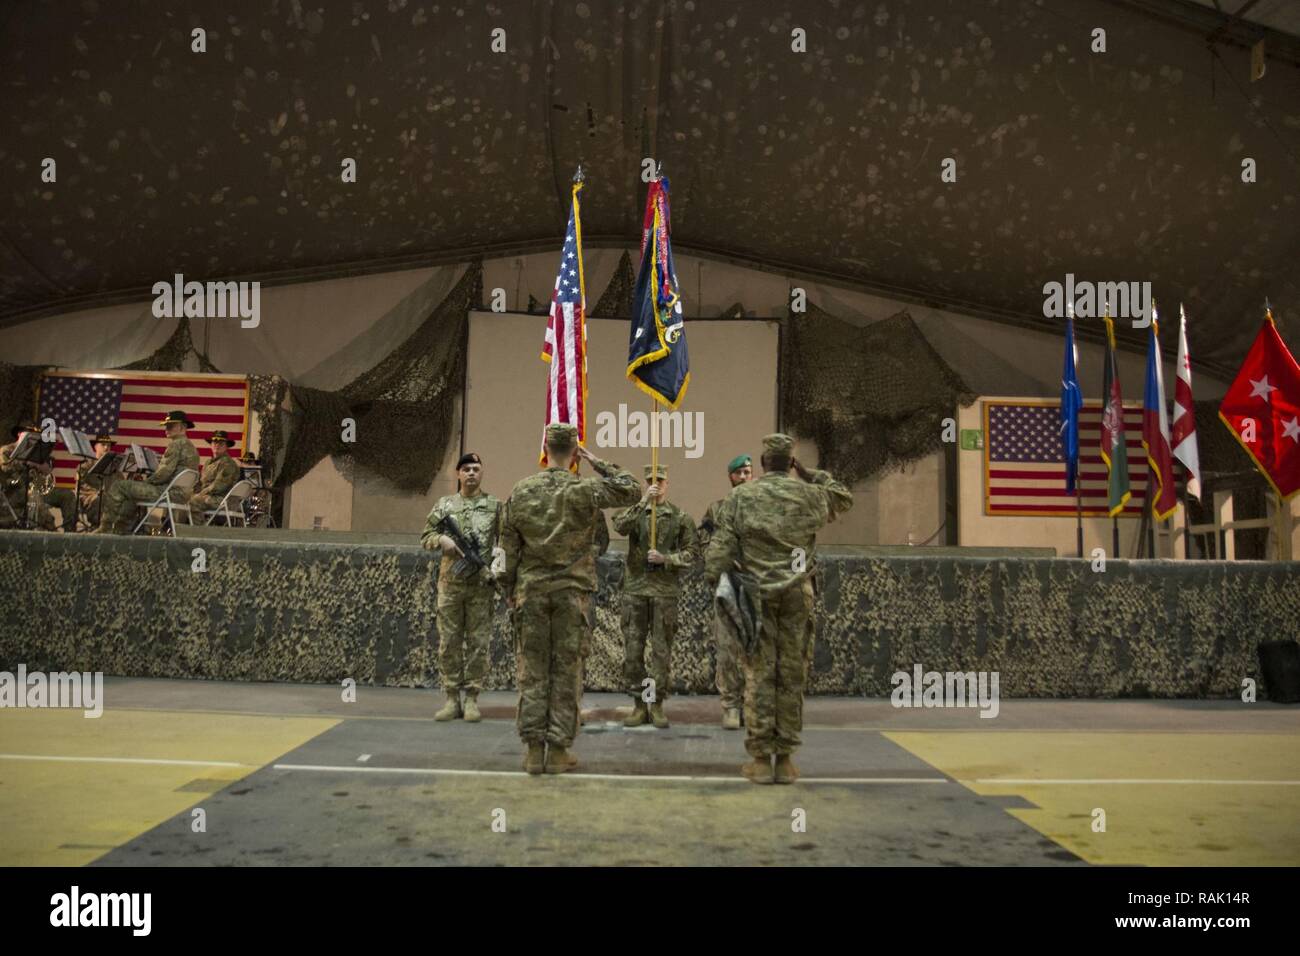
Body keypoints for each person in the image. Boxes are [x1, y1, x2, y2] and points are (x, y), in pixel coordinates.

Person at [704, 434, 853, 785]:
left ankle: (759, 758)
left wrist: (719, 580)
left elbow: (719, 554)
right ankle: (785, 759)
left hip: (756, 594)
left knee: (759, 672)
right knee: (791, 674)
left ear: (762, 461)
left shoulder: (740, 497)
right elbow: (843, 496)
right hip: (796, 595)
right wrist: (809, 473)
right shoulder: (810, 494)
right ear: (790, 463)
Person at [499, 424, 639, 774]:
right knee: (566, 671)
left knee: (532, 672)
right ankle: (559, 751)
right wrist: (598, 462)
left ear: (545, 448)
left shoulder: (521, 491)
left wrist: (509, 593)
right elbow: (632, 490)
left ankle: (534, 751)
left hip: (530, 594)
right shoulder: (586, 490)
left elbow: (506, 553)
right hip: (571, 596)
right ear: (575, 453)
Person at [612, 464, 698, 729]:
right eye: (651, 480)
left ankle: (657, 703)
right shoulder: (636, 512)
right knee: (634, 651)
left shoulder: (680, 517)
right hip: (636, 591)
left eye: (660, 480)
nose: (656, 484)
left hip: (664, 593)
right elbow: (619, 526)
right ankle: (639, 704)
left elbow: (692, 553)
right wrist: (642, 501)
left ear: (667, 483)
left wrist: (666, 559)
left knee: (661, 653)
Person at [421, 452, 502, 723]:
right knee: (449, 643)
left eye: (475, 469)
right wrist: (441, 539)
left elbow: (504, 542)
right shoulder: (444, 506)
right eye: (465, 469)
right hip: (451, 585)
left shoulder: (495, 506)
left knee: (478, 643)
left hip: (481, 586)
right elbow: (426, 536)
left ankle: (472, 699)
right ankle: (451, 698)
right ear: (458, 474)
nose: (470, 473)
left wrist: (497, 567)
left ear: (482, 473)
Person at [699, 453, 753, 729]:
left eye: (748, 472)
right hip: (728, 584)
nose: (744, 477)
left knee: (757, 650)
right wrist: (722, 559)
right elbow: (704, 543)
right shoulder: (717, 509)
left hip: (757, 585)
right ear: (730, 477)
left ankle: (754, 705)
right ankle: (731, 705)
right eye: (739, 473)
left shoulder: (761, 507)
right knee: (728, 648)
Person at [96, 410, 200, 534]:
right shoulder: (193, 448)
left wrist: (147, 482)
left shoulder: (176, 445)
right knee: (131, 492)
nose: (166, 428)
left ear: (182, 427)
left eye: (170, 425)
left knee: (119, 486)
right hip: (183, 495)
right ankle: (121, 529)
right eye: (166, 425)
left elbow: (163, 474)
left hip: (167, 493)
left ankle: (105, 528)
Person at [188, 430, 241, 516]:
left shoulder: (228, 464)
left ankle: (198, 528)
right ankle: (177, 528)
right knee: (182, 498)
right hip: (209, 496)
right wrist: (192, 492)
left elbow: (218, 486)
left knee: (194, 501)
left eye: (221, 443)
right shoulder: (208, 462)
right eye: (214, 442)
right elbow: (200, 483)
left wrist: (199, 494)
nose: (217, 445)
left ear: (226, 446)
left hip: (223, 499)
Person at [76, 433, 119, 530]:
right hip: (90, 496)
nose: (106, 447)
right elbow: (82, 485)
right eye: (103, 444)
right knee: (100, 499)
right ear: (95, 446)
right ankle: (98, 528)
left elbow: (120, 483)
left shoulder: (114, 467)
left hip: (109, 497)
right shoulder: (86, 465)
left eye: (108, 445)